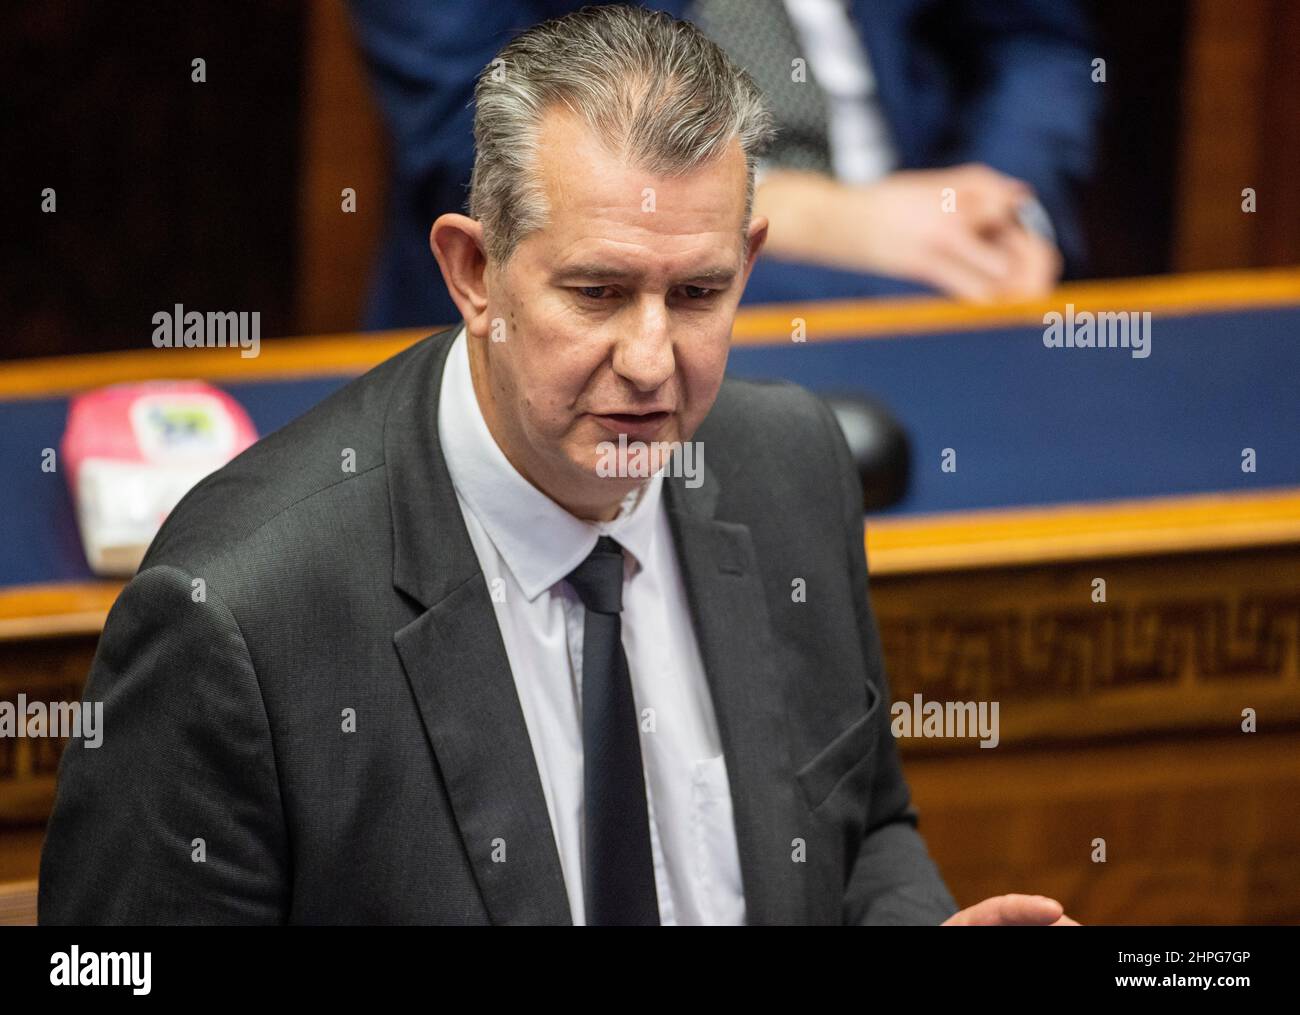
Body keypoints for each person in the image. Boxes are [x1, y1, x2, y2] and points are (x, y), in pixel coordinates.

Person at [40, 5, 1076, 926]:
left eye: (698, 294)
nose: (649, 361)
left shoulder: (789, 467)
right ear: (474, 271)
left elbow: (862, 834)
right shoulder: (239, 620)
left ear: (747, 266)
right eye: (596, 292)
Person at [348, 0, 1099, 327]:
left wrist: (1005, 213)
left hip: (958, 289)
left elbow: (1034, 43)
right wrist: (832, 222)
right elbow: (469, 132)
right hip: (609, 296)